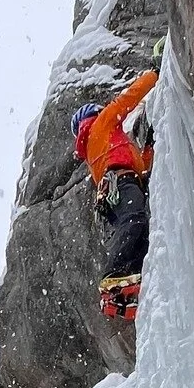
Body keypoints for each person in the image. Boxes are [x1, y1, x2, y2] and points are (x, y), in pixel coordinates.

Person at [71, 53, 160, 321]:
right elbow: (127, 100)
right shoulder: (101, 122)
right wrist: (153, 76)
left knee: (140, 229)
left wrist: (148, 149)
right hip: (121, 181)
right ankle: (114, 276)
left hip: (115, 190)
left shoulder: (96, 149)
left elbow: (137, 166)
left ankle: (128, 285)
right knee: (135, 222)